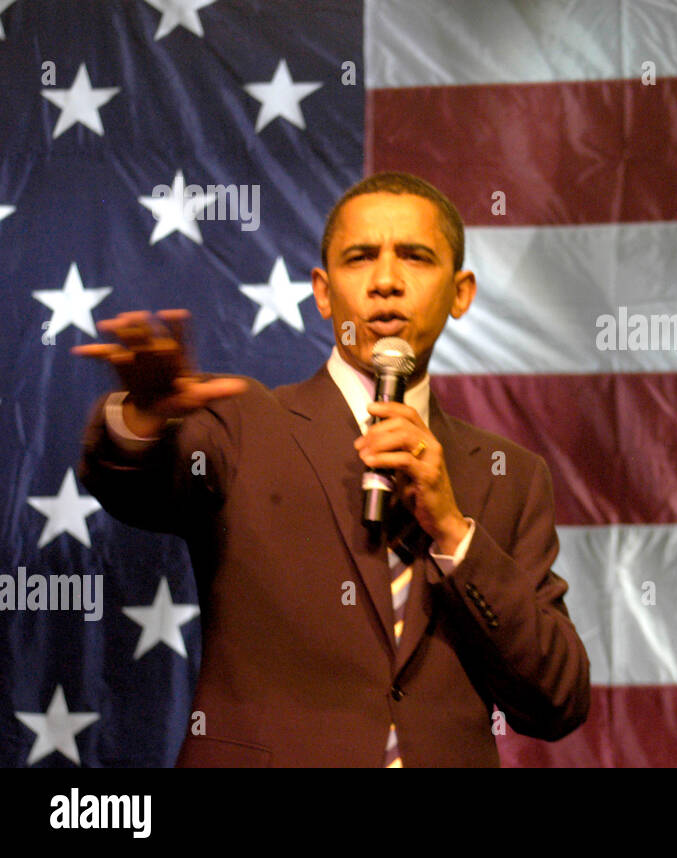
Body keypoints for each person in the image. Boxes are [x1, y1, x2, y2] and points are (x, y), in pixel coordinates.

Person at [75, 172, 590, 767]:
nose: (387, 282)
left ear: (461, 292)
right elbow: (133, 483)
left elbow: (557, 699)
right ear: (323, 292)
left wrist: (453, 532)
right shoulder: (243, 424)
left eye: (417, 258)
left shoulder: (511, 478)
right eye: (360, 257)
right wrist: (141, 419)